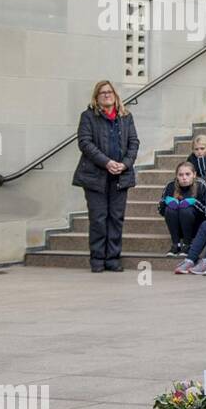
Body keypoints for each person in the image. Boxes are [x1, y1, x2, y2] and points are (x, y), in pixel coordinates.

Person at [72, 80, 139, 272]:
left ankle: (113, 259)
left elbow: (134, 142)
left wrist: (124, 164)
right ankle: (98, 259)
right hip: (95, 176)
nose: (107, 95)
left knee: (116, 218)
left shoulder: (126, 117)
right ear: (96, 98)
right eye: (102, 93)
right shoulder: (88, 117)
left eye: (110, 92)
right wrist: (107, 162)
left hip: (120, 176)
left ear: (116, 95)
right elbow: (85, 143)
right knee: (99, 218)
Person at [159, 161, 206, 256]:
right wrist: (166, 202)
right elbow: (161, 211)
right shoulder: (171, 185)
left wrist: (194, 203)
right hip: (177, 226)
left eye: (188, 174)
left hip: (195, 226)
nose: (184, 177)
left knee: (185, 210)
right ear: (177, 176)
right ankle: (176, 244)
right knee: (169, 210)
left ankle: (187, 244)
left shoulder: (201, 185)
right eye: (181, 175)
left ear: (194, 174)